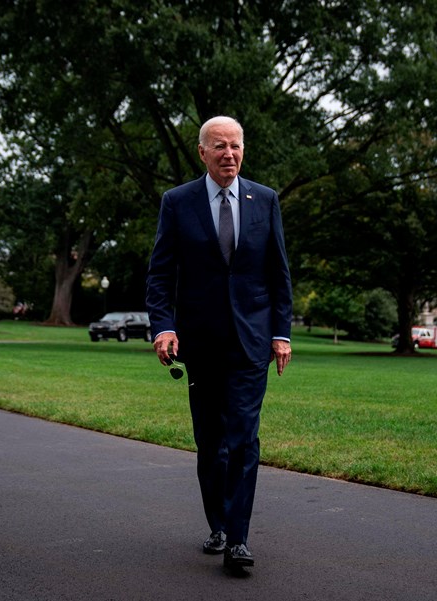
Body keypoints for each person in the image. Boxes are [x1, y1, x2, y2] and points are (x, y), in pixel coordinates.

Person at [146, 116, 293, 571]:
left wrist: (281, 333)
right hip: (202, 342)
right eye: (219, 146)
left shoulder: (265, 199)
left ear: (243, 150)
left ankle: (238, 540)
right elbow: (160, 274)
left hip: (251, 343)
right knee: (212, 443)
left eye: (235, 146)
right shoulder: (177, 202)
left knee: (244, 439)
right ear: (202, 152)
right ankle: (218, 524)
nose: (229, 154)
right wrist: (164, 327)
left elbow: (278, 272)